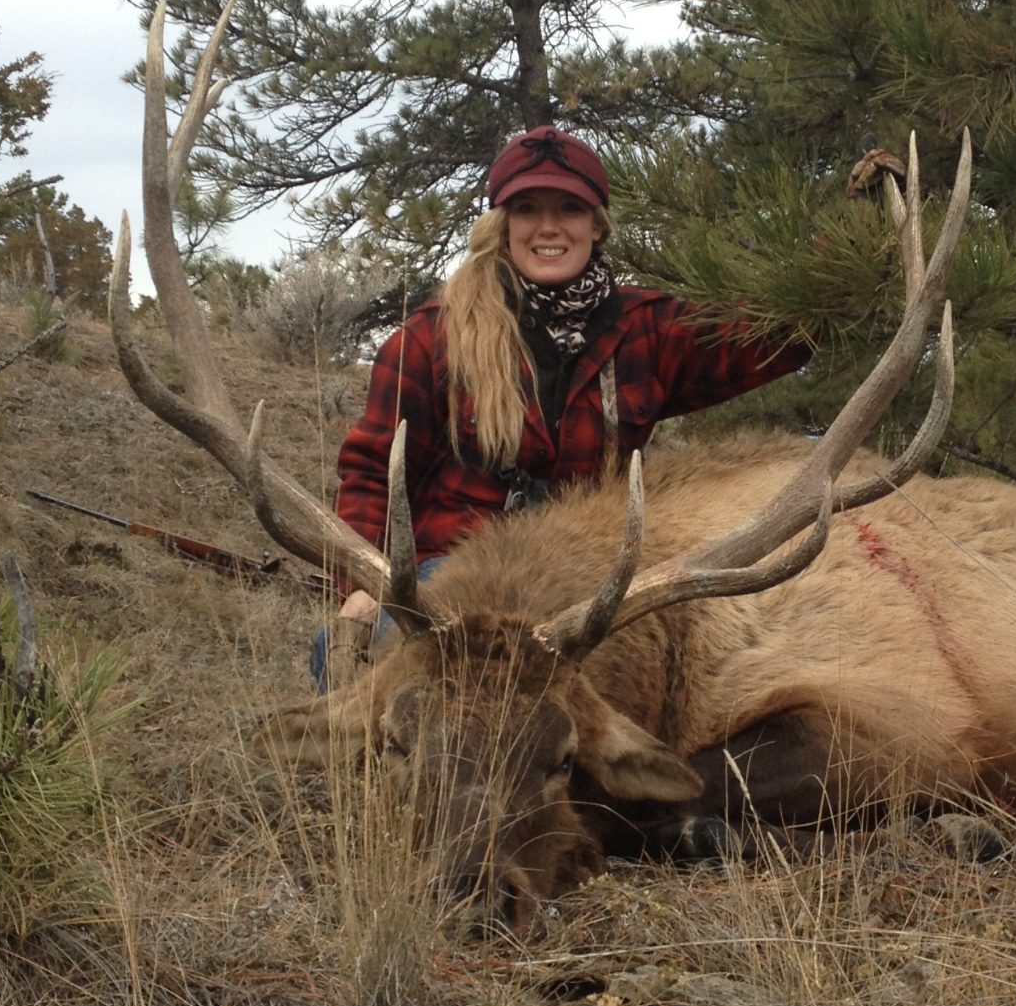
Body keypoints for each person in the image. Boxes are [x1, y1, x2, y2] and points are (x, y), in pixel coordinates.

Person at [316, 124, 810, 681]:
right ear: (503, 225)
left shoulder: (645, 329)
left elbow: (772, 335)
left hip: (582, 568)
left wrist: (848, 249)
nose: (548, 228)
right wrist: (363, 587)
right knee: (366, 673)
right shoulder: (431, 340)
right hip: (452, 568)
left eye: (569, 209)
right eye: (527, 208)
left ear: (596, 225)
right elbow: (372, 473)